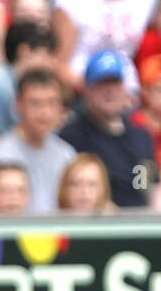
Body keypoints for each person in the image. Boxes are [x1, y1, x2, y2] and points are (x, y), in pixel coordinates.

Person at [57, 49, 155, 208]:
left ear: (124, 89)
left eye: (115, 83)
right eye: (101, 84)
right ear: (86, 89)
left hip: (140, 223)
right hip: (96, 225)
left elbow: (146, 186)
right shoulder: (71, 137)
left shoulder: (141, 137)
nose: (110, 91)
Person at [0, 68, 74, 212]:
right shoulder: (0, 154)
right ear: (18, 105)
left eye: (52, 103)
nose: (44, 112)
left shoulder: (67, 154)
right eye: (35, 103)